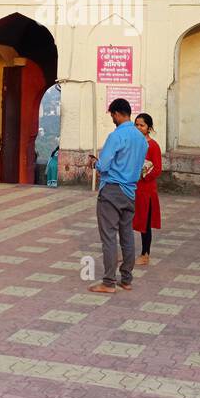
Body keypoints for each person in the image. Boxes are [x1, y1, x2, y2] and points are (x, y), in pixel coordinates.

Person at [86, 97, 148, 293]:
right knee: (127, 235)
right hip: (130, 191)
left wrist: (94, 163)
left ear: (117, 113)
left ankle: (108, 282)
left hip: (112, 189)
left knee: (109, 237)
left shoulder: (116, 136)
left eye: (112, 115)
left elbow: (103, 165)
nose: (112, 118)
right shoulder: (141, 139)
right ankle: (127, 279)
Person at [132, 112, 162, 266]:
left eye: (141, 125)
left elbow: (157, 169)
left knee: (145, 223)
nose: (138, 127)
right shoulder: (133, 143)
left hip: (146, 189)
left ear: (148, 128)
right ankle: (127, 251)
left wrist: (143, 173)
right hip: (132, 188)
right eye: (136, 124)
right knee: (127, 221)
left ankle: (145, 253)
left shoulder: (153, 146)